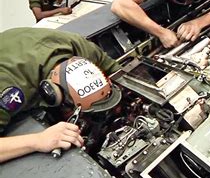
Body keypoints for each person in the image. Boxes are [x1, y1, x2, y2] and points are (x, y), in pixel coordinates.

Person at [0, 27, 121, 163]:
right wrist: (38, 140)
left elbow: (119, 75)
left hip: (28, 45)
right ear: (50, 94)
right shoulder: (8, 91)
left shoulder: (83, 49)